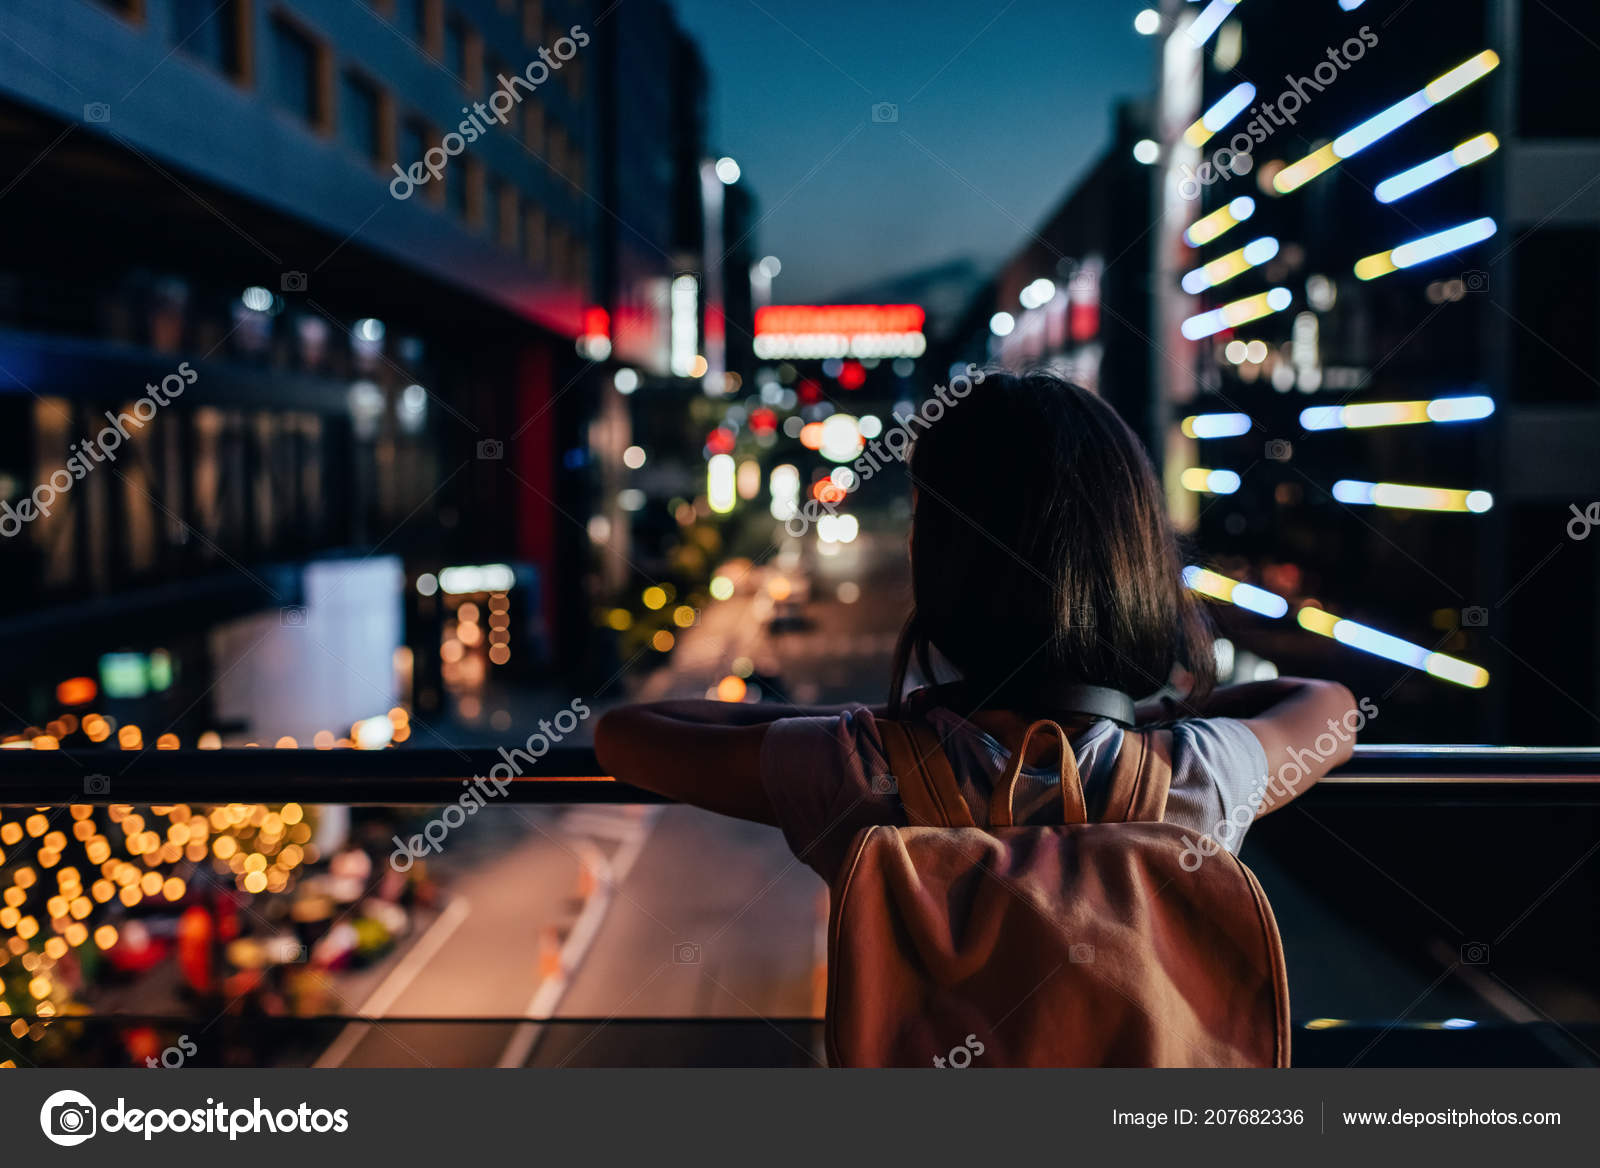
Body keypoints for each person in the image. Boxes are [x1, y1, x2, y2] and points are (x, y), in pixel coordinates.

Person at [595, 370, 1357, 885]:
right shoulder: (1196, 779)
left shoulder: (864, 775)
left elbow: (628, 734)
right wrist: (1153, 719)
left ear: (941, 564)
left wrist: (885, 725)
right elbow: (1328, 704)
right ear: (1133, 558)